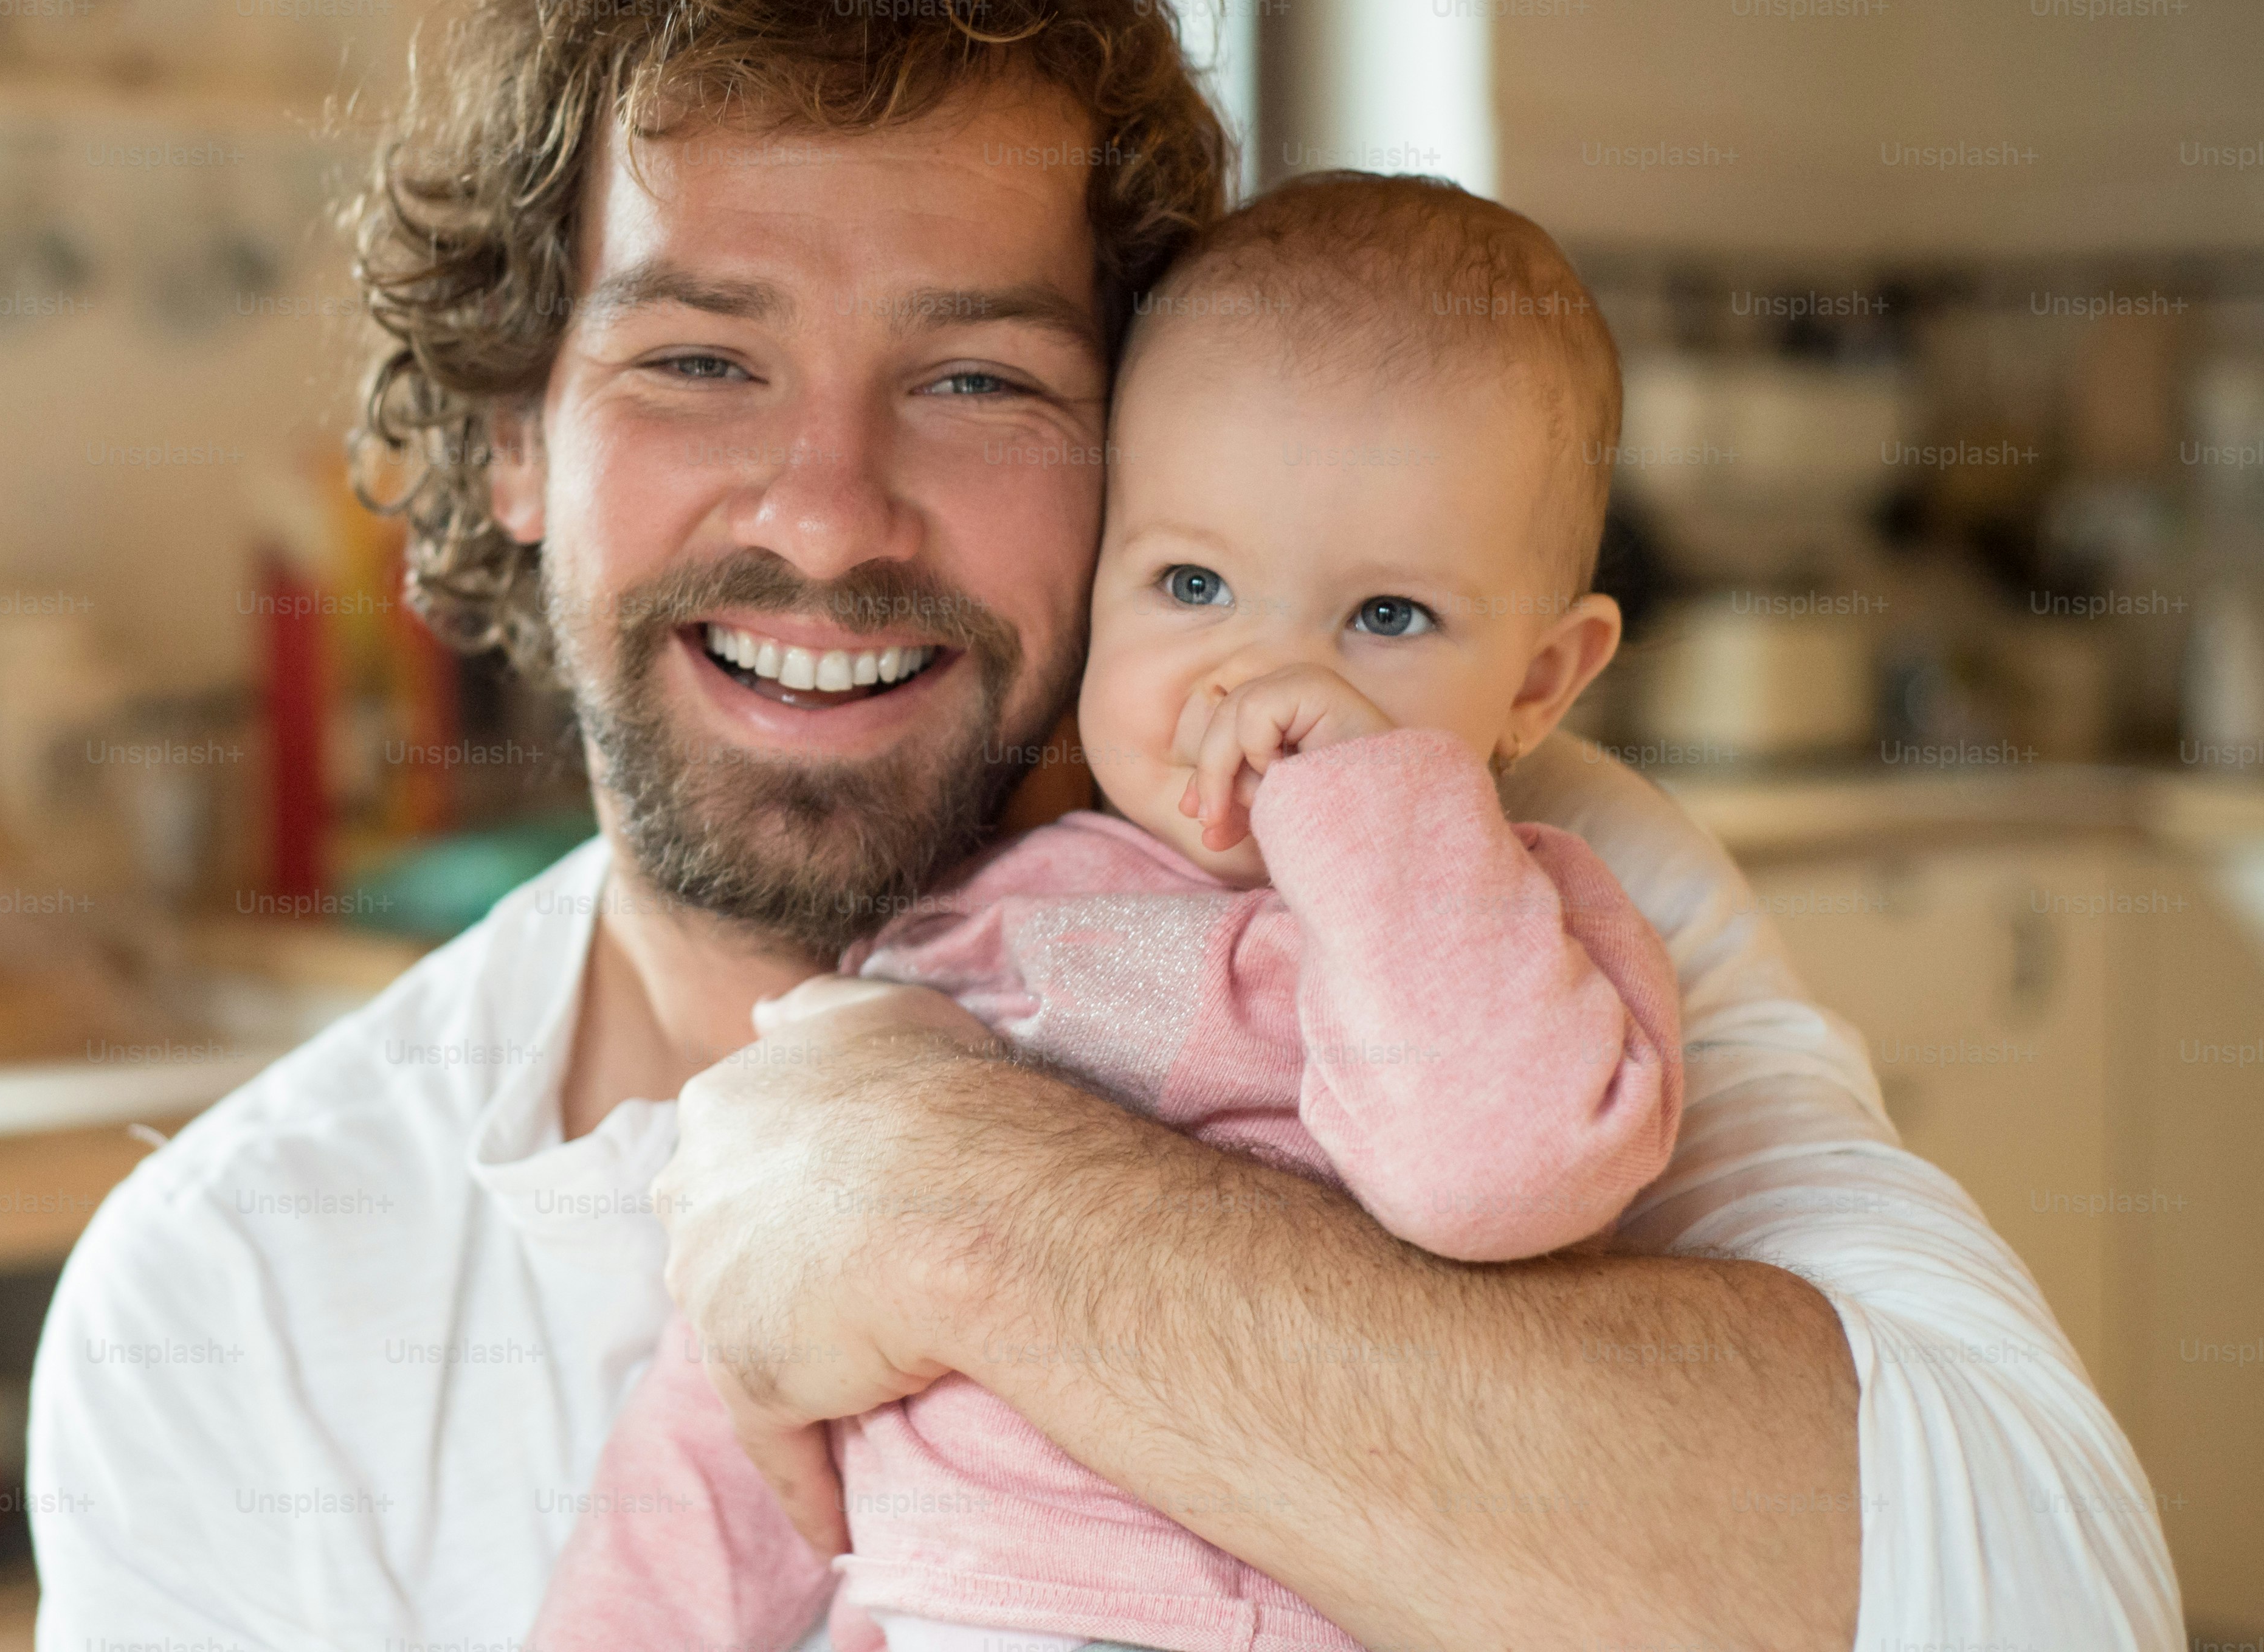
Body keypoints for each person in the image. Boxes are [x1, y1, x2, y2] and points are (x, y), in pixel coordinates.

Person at [26, 0, 2183, 1652]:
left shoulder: (1511, 861)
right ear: (511, 441)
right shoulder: (235, 1300)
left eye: (976, 381)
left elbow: (2046, 1595)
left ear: (1137, 449)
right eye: (697, 358)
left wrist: (934, 1187)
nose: (827, 507)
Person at [530, 173, 1690, 1652]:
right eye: (1192, 581)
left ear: (1541, 680)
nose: (1259, 681)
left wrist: (1363, 812)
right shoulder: (977, 932)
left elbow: (1492, 1178)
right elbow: (745, 1367)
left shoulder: (1526, 930)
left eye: (1386, 618)